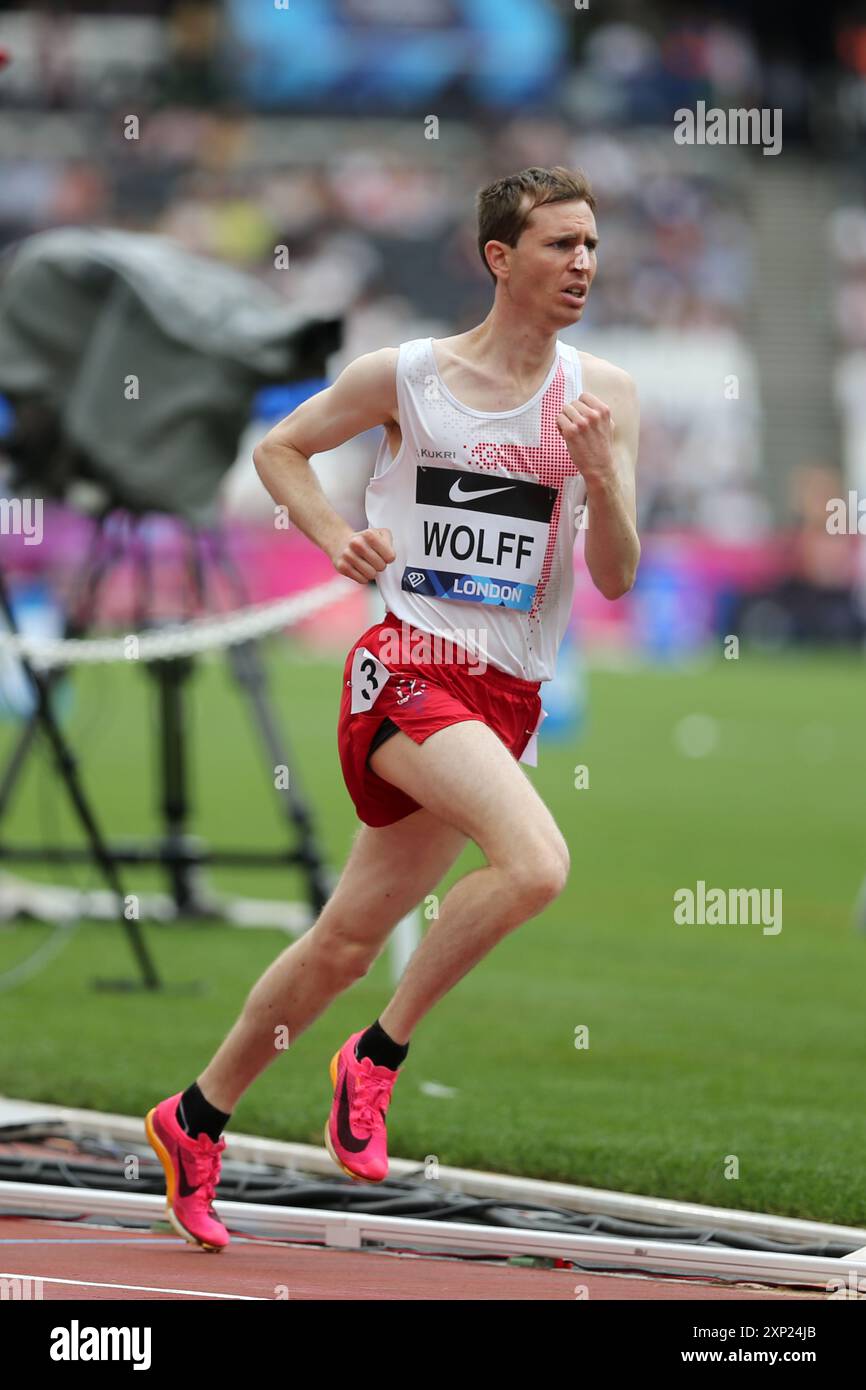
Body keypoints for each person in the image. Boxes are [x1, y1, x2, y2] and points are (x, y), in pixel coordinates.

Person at [145, 165, 640, 1251]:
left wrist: (601, 477)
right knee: (536, 863)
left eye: (592, 245)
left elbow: (612, 576)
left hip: (504, 694)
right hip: (403, 664)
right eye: (560, 245)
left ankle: (194, 1116)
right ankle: (375, 1055)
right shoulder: (406, 376)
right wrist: (334, 539)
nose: (583, 265)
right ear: (499, 259)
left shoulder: (600, 399)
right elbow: (279, 449)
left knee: (344, 938)